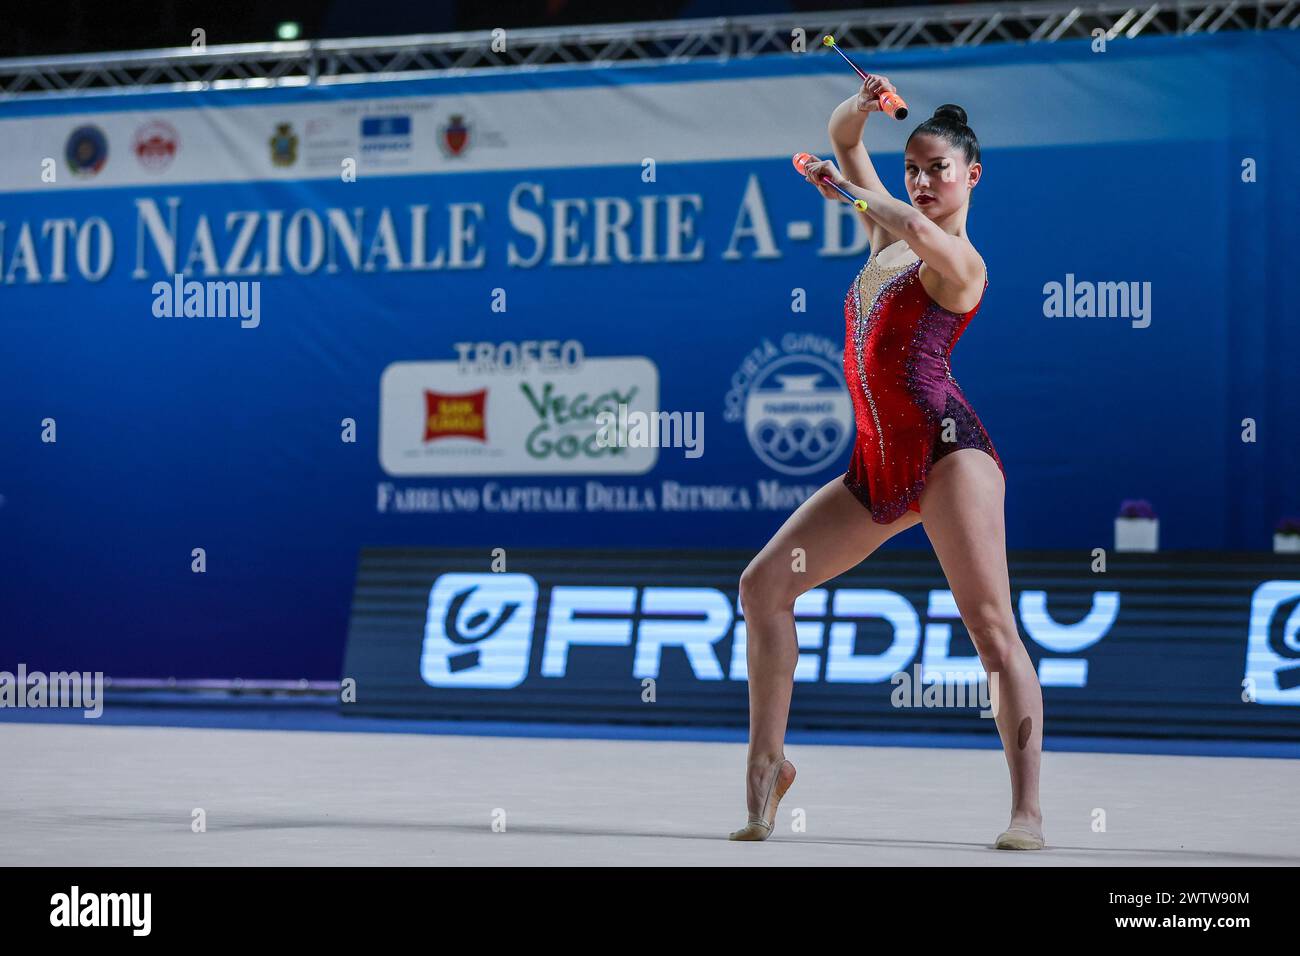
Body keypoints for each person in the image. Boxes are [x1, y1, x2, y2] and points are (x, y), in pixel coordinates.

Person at [728, 76, 1045, 850]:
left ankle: (1027, 809)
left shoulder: (960, 263)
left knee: (991, 630)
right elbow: (841, 141)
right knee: (762, 588)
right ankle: (768, 768)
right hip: (876, 464)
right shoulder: (887, 236)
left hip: (946, 456)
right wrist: (861, 111)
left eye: (939, 167)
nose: (922, 180)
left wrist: (852, 192)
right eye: (912, 167)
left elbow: (895, 212)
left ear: (972, 175)